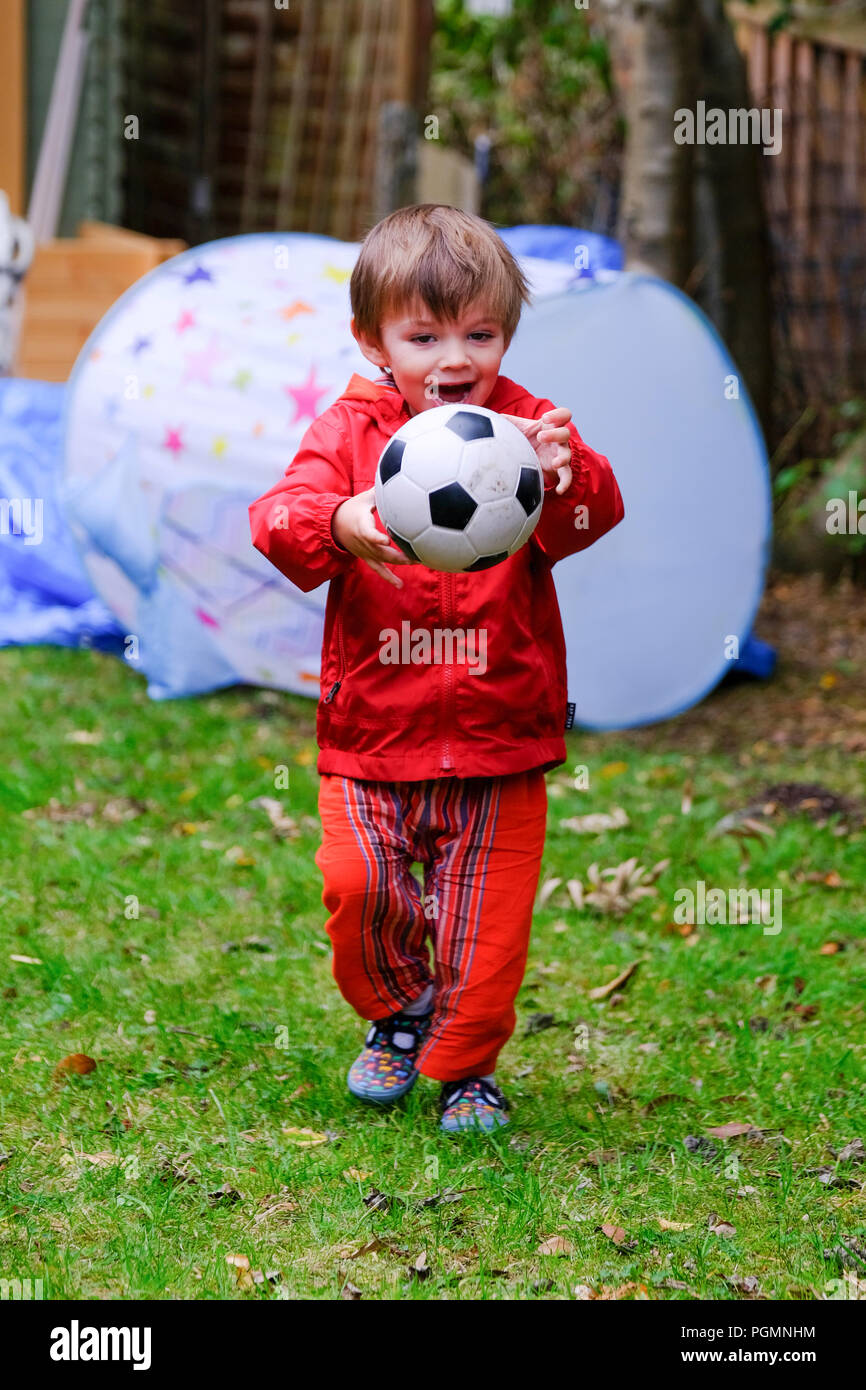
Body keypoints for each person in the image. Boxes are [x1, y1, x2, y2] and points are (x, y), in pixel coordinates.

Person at [249, 204, 624, 1132]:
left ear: (507, 332)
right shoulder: (349, 431)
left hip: (502, 732)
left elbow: (594, 518)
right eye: (424, 335)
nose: (454, 358)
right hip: (374, 728)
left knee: (486, 928)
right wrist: (341, 523)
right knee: (358, 887)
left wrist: (568, 475)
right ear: (373, 340)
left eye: (480, 332)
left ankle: (467, 1068)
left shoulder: (528, 428)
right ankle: (398, 1008)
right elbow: (279, 517)